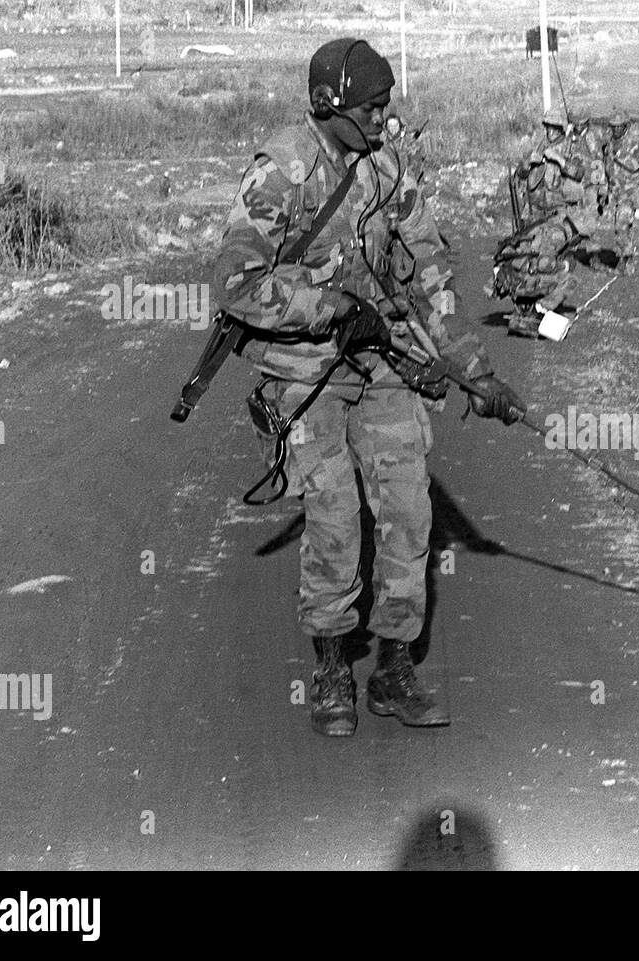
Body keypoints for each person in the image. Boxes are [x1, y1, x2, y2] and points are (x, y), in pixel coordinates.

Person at [211, 37, 522, 738]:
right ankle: (330, 663)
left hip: (382, 360)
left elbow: (430, 265)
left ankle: (393, 665)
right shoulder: (281, 173)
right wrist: (329, 307)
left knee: (410, 510)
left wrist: (472, 370)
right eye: (373, 107)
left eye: (388, 106)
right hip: (305, 370)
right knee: (332, 518)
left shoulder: (386, 163)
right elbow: (235, 287)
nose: (386, 119)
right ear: (329, 105)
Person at [605, 112, 639, 272]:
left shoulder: (635, 143)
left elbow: (636, 165)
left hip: (630, 192)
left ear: (626, 126)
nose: (615, 130)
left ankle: (625, 259)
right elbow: (606, 167)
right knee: (624, 226)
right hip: (615, 191)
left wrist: (617, 156)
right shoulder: (609, 144)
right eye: (613, 127)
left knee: (621, 225)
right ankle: (627, 256)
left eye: (619, 127)